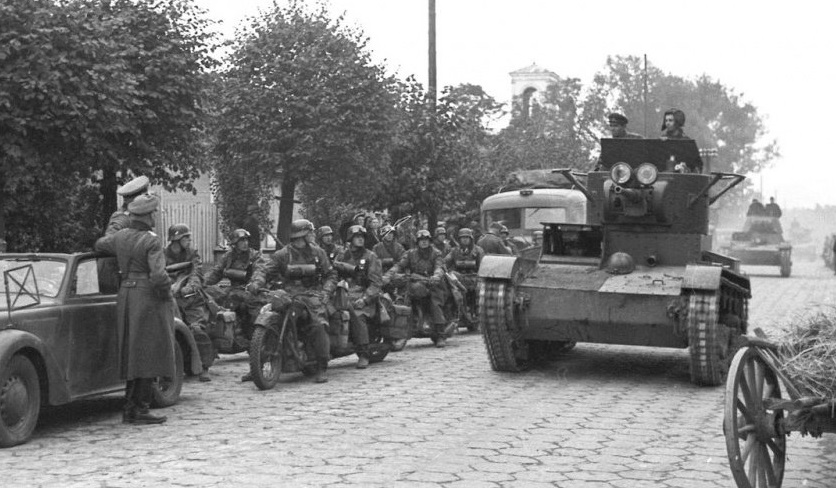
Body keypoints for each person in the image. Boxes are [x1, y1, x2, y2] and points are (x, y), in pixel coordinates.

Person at [94, 194, 174, 425]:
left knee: (132, 352)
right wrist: (168, 296)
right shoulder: (152, 240)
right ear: (148, 216)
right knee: (149, 351)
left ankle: (129, 408)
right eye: (153, 214)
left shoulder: (120, 237)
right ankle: (140, 408)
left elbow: (100, 244)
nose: (155, 217)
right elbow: (159, 276)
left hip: (126, 294)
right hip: (148, 296)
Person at [247, 219, 336, 383]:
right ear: (302, 235)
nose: (313, 235)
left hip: (312, 295)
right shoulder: (283, 254)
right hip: (287, 294)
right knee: (268, 319)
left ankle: (321, 366)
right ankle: (257, 365)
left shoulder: (318, 253)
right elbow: (264, 270)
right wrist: (256, 283)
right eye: (310, 232)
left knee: (318, 324)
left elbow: (331, 275)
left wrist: (326, 291)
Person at [384, 229, 450, 347]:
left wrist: (436, 276)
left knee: (435, 303)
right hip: (415, 281)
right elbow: (399, 265)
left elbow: (439, 267)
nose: (423, 242)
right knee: (400, 294)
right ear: (417, 242)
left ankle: (440, 335)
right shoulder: (410, 253)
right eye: (421, 240)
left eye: (426, 240)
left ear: (429, 241)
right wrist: (388, 275)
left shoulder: (436, 253)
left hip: (432, 283)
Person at [165, 224, 213, 382]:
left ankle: (204, 367)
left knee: (197, 328)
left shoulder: (192, 254)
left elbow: (196, 273)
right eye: (186, 237)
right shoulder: (162, 255)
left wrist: (188, 288)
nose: (189, 240)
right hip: (170, 299)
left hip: (191, 299)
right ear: (176, 239)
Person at [204, 228, 264, 355]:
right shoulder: (228, 256)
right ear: (235, 243)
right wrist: (203, 283)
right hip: (233, 289)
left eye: (246, 240)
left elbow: (260, 271)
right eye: (241, 241)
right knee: (212, 301)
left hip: (250, 290)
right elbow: (216, 272)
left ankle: (254, 341)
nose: (245, 243)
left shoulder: (254, 255)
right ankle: (219, 335)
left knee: (252, 310)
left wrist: (255, 284)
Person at [332, 225, 383, 369]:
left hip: (363, 295)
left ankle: (363, 352)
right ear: (350, 239)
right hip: (343, 293)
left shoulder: (370, 256)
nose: (360, 239)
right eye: (357, 237)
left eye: (362, 237)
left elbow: (376, 283)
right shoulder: (342, 256)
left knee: (357, 315)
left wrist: (365, 299)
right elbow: (333, 275)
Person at [444, 228, 485, 324]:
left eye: (467, 237)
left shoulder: (478, 250)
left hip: (474, 278)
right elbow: (445, 262)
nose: (465, 239)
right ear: (459, 239)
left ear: (471, 238)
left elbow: (483, 267)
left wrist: (480, 280)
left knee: (479, 292)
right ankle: (454, 312)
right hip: (459, 279)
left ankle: (476, 313)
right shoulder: (454, 251)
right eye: (462, 238)